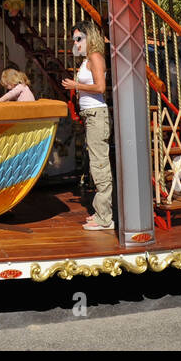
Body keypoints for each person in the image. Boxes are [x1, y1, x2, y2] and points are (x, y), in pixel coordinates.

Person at [62, 20, 112, 231]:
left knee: (99, 164)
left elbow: (100, 87)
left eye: (79, 39)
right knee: (95, 163)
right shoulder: (86, 60)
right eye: (74, 39)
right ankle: (101, 212)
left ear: (89, 37)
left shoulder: (95, 57)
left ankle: (105, 218)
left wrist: (76, 85)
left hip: (96, 114)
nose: (76, 43)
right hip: (90, 116)